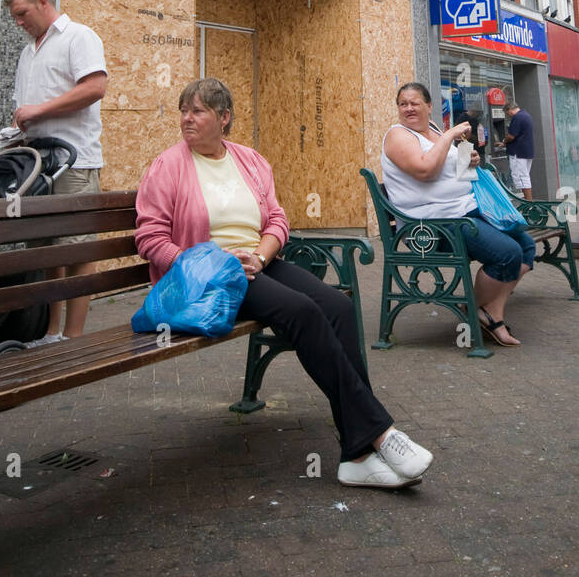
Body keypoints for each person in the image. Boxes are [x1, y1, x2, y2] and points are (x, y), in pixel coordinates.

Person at [135, 78, 433, 490]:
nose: (187, 118)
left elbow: (277, 220)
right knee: (301, 312)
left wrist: (259, 256)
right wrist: (213, 262)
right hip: (209, 279)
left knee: (338, 307)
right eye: (184, 110)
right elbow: (150, 239)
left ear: (224, 118)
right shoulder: (167, 166)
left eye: (198, 110)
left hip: (257, 263)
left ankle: (357, 454)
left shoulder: (250, 161)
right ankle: (376, 436)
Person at [381, 82, 536, 348]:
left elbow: (460, 173)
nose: (408, 108)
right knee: (508, 253)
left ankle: (483, 310)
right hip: (431, 226)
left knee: (526, 248)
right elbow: (425, 170)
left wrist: (470, 160)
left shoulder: (433, 130)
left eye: (414, 103)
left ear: (429, 106)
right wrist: (450, 135)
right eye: (403, 104)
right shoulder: (398, 135)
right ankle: (488, 316)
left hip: (464, 209)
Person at [6, 0, 108, 343]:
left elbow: (95, 87)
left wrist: (39, 109)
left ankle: (74, 337)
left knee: (77, 249)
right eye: (14, 17)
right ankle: (52, 333)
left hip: (74, 163)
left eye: (22, 14)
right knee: (50, 250)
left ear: (43, 2)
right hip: (38, 164)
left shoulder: (79, 37)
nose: (18, 22)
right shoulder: (27, 52)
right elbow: (27, 108)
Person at [498, 101, 535, 200]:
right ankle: (527, 202)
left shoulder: (517, 117)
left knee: (522, 177)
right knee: (523, 176)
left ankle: (529, 203)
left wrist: (504, 141)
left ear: (509, 109)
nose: (507, 115)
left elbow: (511, 136)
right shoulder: (526, 115)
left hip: (518, 152)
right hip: (526, 151)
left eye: (507, 113)